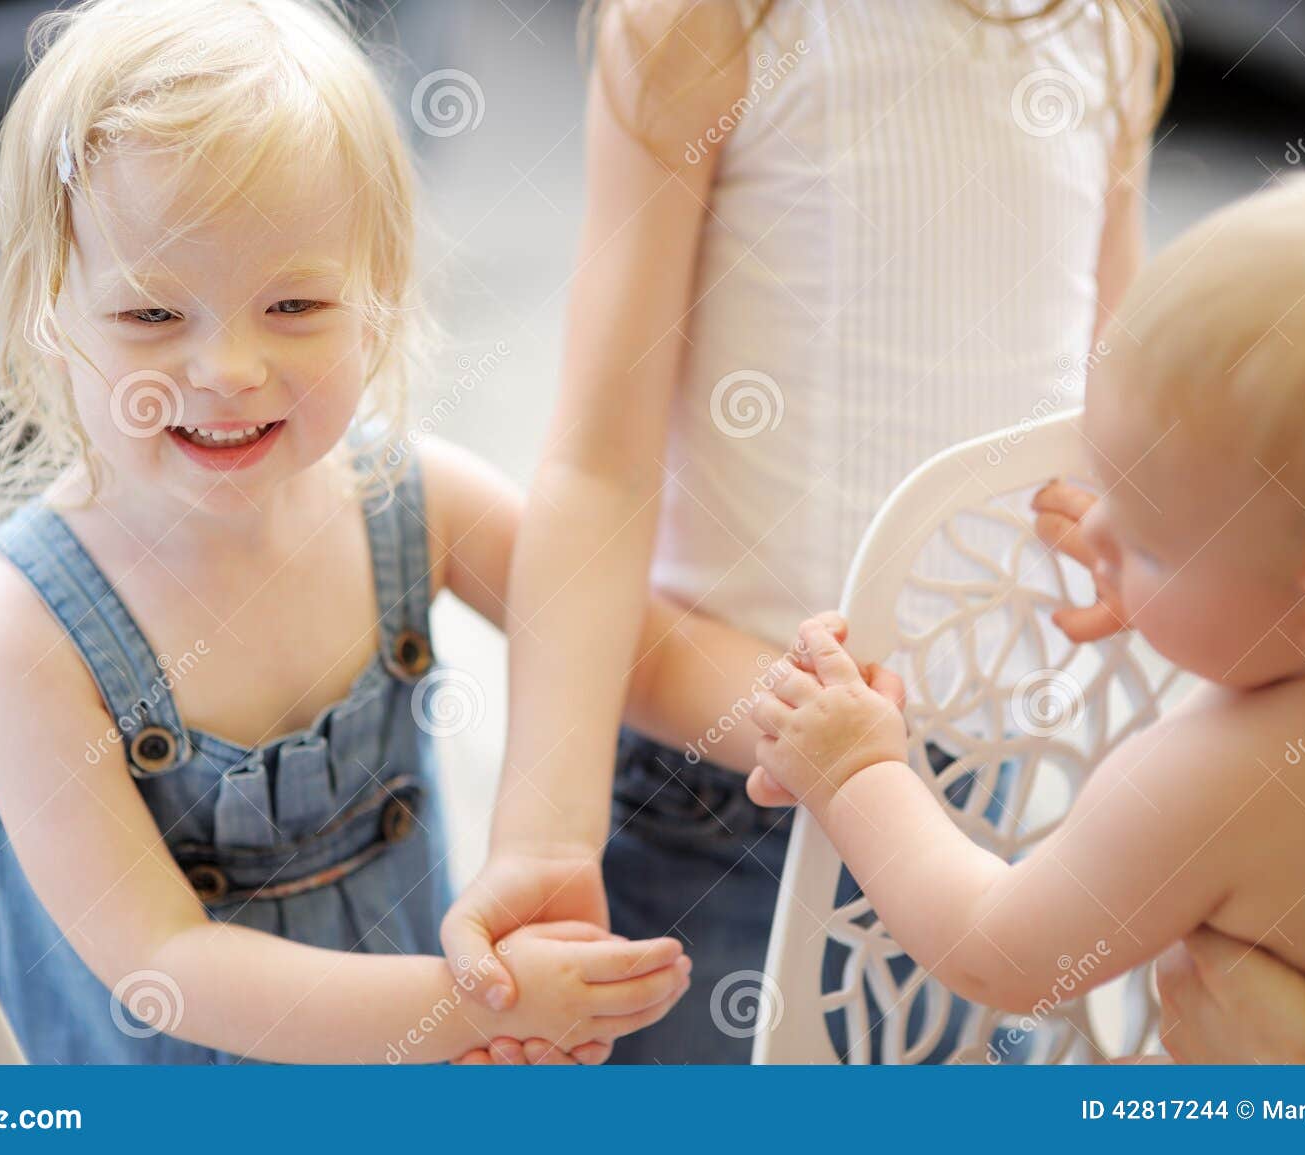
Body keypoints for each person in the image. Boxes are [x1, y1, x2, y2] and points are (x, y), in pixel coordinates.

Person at [0, 0, 809, 1063]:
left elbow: (617, 642)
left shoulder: (417, 500)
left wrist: (794, 714)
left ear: (379, 303)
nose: (228, 370)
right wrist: (480, 1007)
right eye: (152, 316)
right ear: (45, 313)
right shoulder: (23, 629)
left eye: (295, 306)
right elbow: (166, 962)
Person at [442, 0, 1176, 1063]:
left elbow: (1114, 394)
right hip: (731, 808)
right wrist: (544, 836)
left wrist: (1134, 524)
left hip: (984, 799)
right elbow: (598, 471)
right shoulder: (711, 25)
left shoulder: (1103, 28)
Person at [747, 167, 1305, 1064]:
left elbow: (998, 952)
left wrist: (855, 768)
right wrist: (1183, 582)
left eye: (1148, 543)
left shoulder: (1214, 779)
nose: (1091, 533)